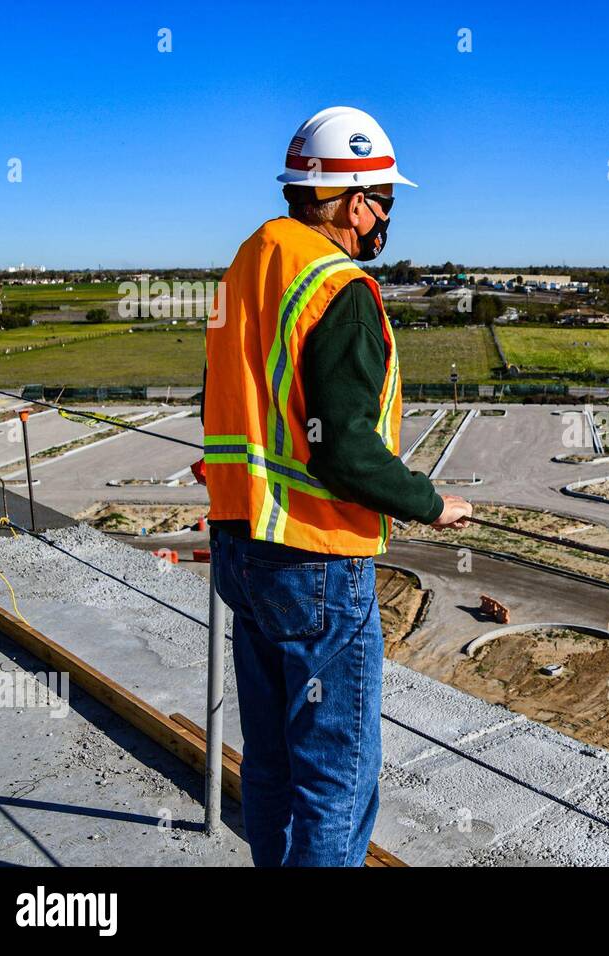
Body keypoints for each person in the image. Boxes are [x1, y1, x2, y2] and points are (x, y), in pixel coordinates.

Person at [202, 106, 472, 866]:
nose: (387, 214)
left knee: (272, 765)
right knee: (337, 781)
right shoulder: (339, 287)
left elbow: (239, 399)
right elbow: (344, 450)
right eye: (385, 198)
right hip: (314, 559)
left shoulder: (252, 259)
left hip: (240, 544)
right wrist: (431, 502)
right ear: (355, 202)